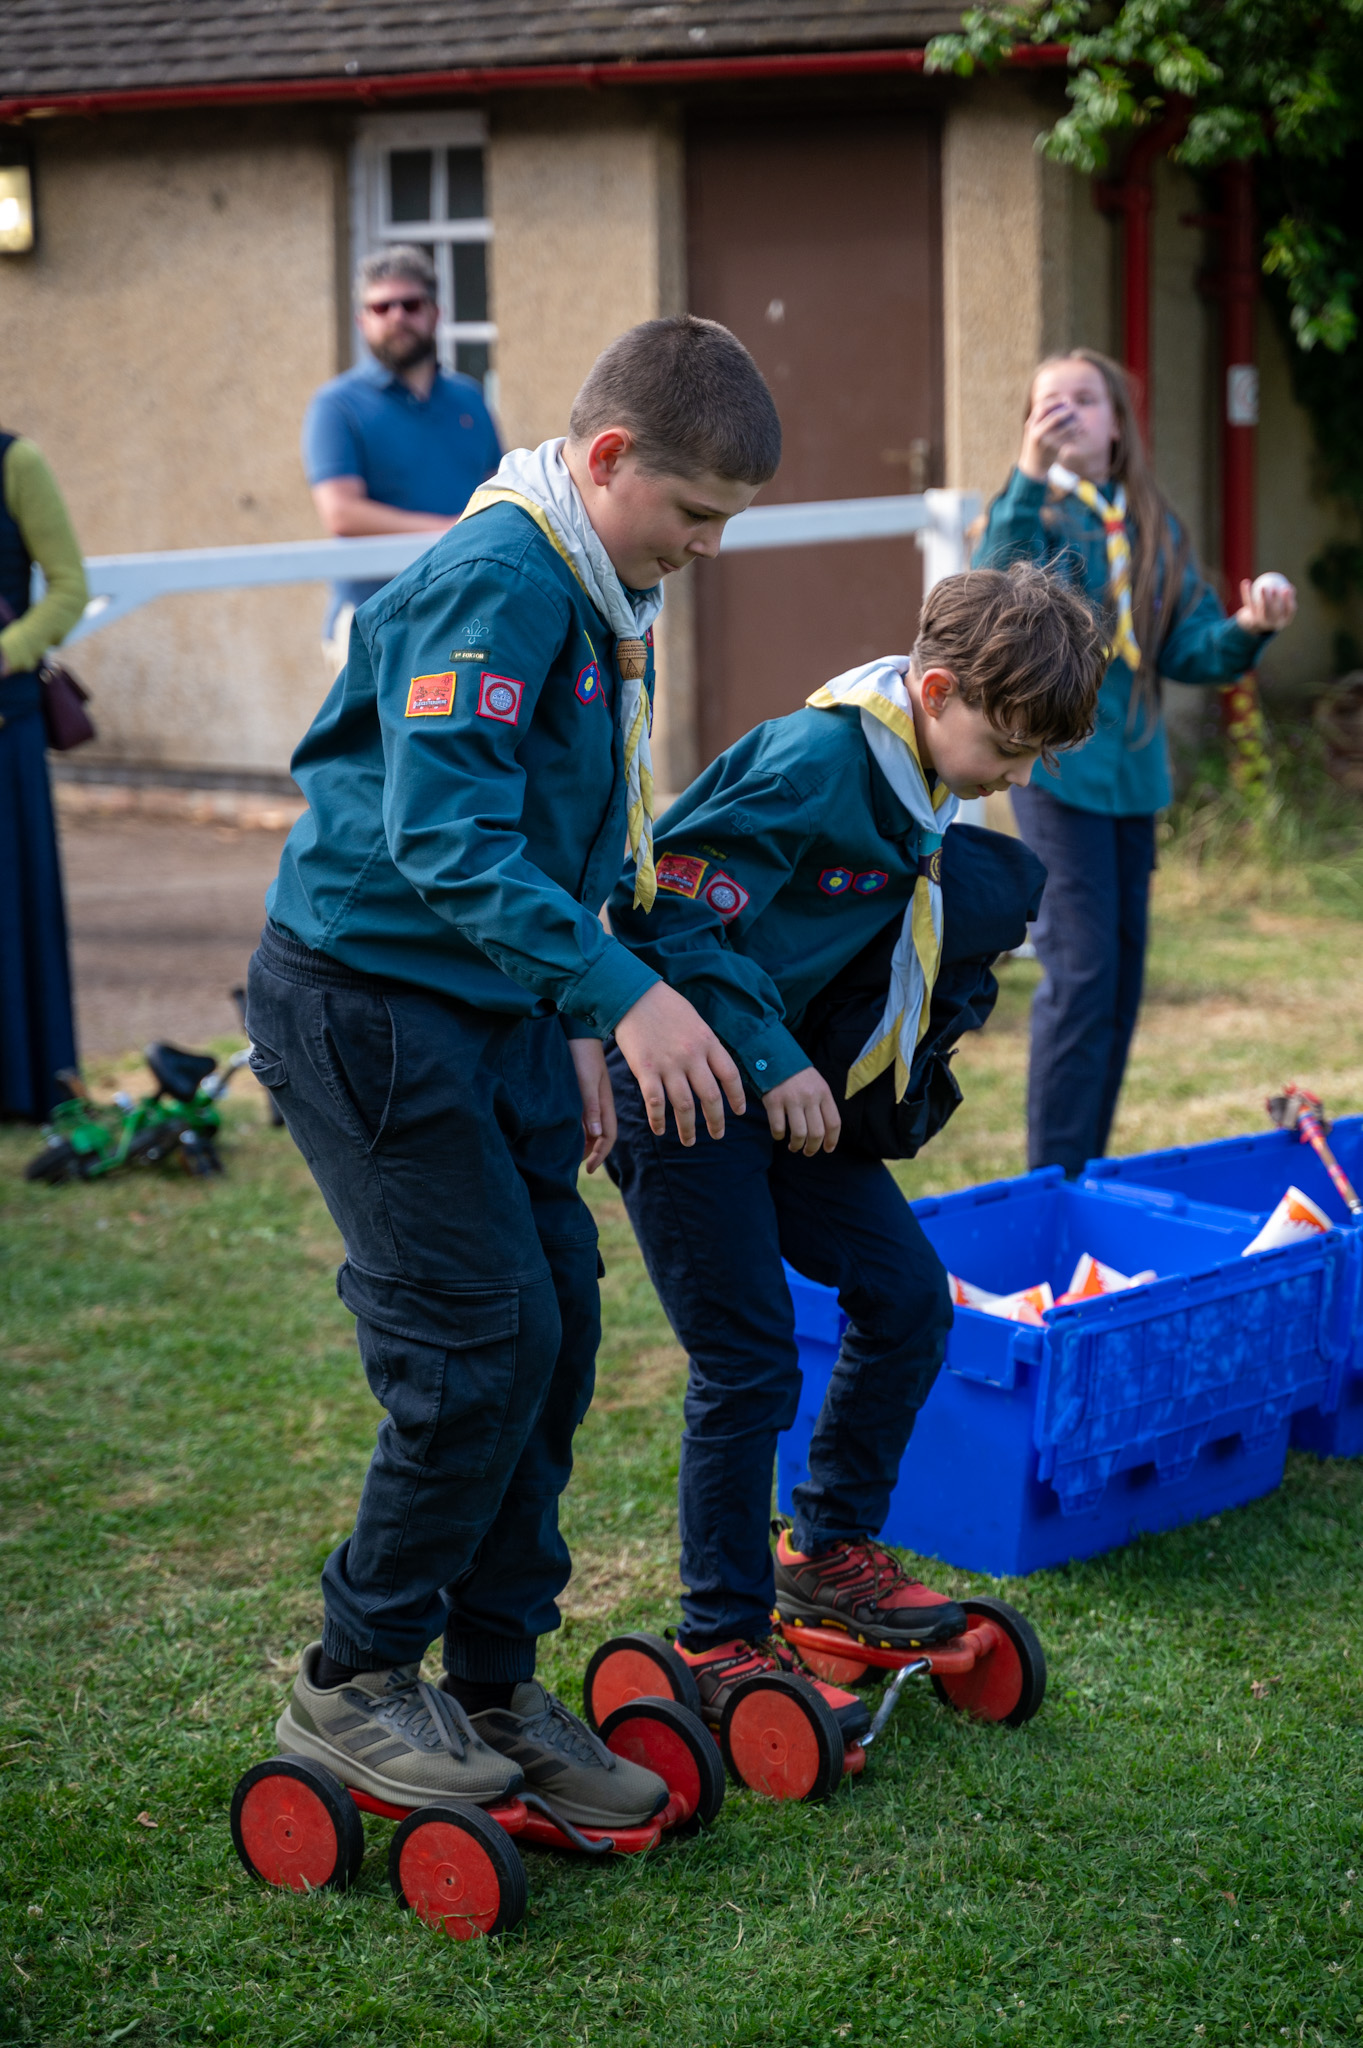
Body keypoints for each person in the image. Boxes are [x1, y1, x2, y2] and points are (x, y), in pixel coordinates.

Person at [247, 315, 780, 1827]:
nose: (708, 547)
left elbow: (562, 829)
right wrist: (626, 996)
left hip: (493, 1005)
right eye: (693, 515)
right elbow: (444, 840)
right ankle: (354, 1676)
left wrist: (567, 1022)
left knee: (553, 1327)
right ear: (606, 461)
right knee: (473, 1342)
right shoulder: (499, 579)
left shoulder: (598, 581)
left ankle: (490, 1680)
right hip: (369, 1006)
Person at [604, 563, 1106, 1732]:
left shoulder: (924, 780)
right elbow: (661, 907)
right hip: (683, 1081)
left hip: (785, 1098)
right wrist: (772, 1053)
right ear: (934, 690)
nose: (1021, 777)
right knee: (748, 1360)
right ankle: (720, 1633)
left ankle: (824, 1548)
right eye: (1013, 744)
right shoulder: (817, 760)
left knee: (906, 1294)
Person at [974, 349, 1297, 1177]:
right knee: (1079, 976)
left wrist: (1248, 629)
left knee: (1117, 985)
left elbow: (1190, 648)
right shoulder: (1031, 513)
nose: (1067, 413)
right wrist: (1027, 476)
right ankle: (1052, 1177)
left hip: (1133, 776)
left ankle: (1086, 1170)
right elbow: (994, 593)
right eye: (1048, 402)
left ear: (1118, 423)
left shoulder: (1149, 521)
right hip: (1059, 772)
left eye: (1085, 399)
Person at [302, 246, 502, 675]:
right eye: (381, 306)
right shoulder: (336, 406)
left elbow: (498, 494)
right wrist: (450, 532)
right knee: (379, 745)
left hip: (464, 614)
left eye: (410, 304)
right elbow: (342, 513)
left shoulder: (469, 398)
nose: (397, 316)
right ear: (362, 321)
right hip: (372, 621)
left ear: (435, 312)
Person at [0, 430, 89, 1120]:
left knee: (11, 912)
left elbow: (68, 590)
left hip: (7, 725)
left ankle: (23, 1089)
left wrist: (9, 652)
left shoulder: (16, 461)